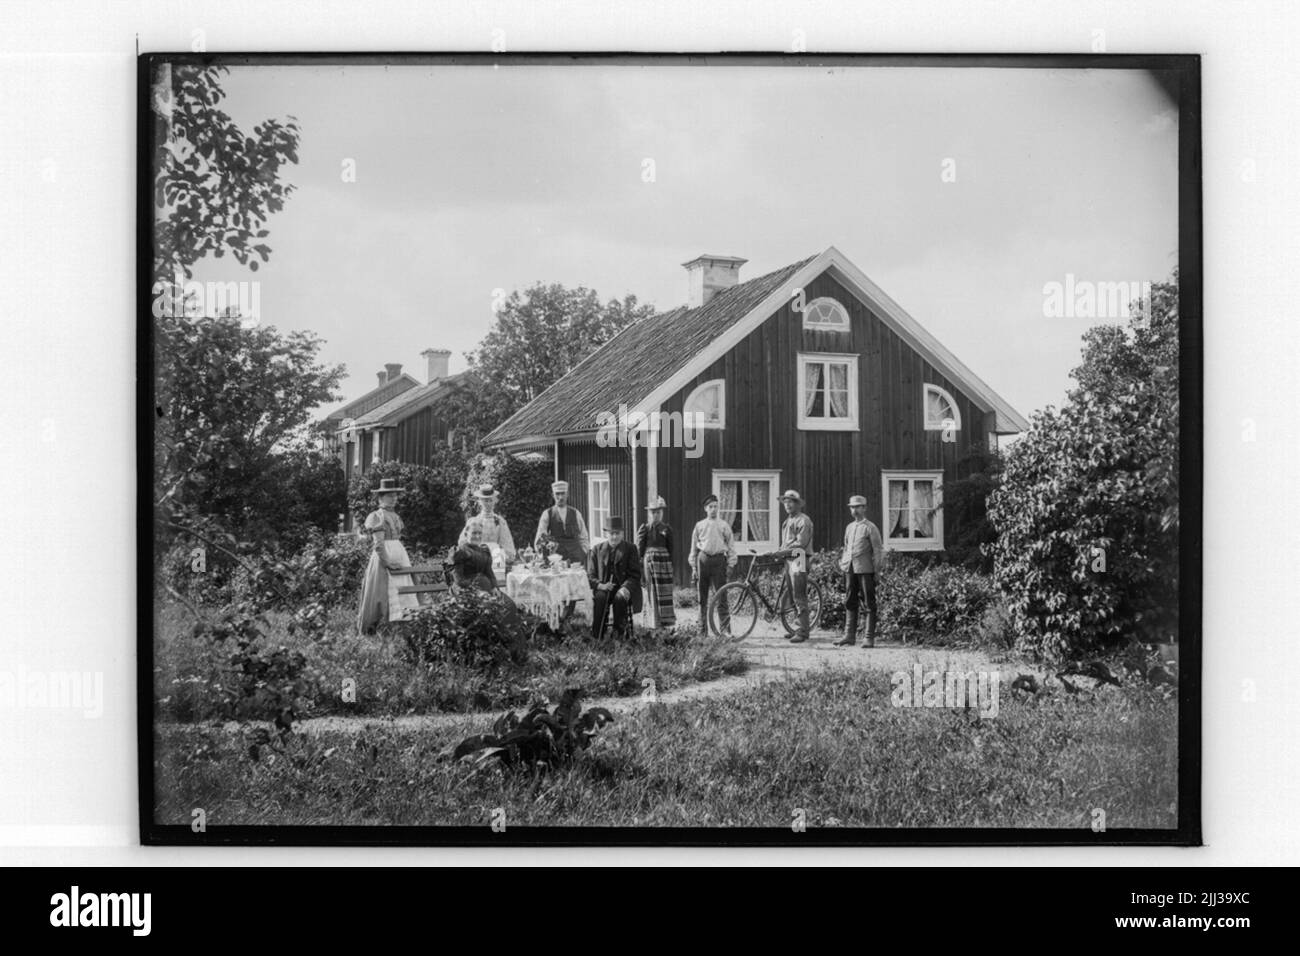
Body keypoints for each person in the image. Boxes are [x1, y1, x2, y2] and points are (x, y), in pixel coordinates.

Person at [356, 478, 418, 634]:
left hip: (399, 553)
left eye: (395, 495)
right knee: (383, 591)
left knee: (403, 587)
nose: (394, 498)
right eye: (390, 495)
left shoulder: (395, 516)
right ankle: (381, 626)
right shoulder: (377, 516)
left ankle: (403, 625)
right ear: (380, 498)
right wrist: (387, 562)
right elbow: (378, 543)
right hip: (385, 554)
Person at [534, 480, 590, 628]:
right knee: (557, 587)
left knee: (572, 588)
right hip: (557, 557)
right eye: (557, 494)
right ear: (553, 495)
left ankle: (566, 617)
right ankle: (555, 618)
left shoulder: (575, 513)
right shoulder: (547, 514)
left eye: (563, 494)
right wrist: (544, 555)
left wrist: (584, 551)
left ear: (567, 494)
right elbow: (540, 538)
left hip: (575, 556)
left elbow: (584, 535)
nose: (560, 497)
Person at [835, 494, 884, 647]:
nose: (854, 510)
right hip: (850, 568)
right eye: (852, 507)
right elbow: (846, 547)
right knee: (850, 599)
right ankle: (849, 635)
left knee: (869, 601)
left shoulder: (870, 527)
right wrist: (843, 564)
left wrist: (877, 571)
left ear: (864, 508)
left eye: (857, 507)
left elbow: (878, 550)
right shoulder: (849, 527)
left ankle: (869, 637)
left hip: (865, 569)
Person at [587, 516, 642, 640]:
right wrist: (601, 585)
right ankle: (597, 636)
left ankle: (619, 636)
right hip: (604, 587)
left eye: (617, 533)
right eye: (611, 533)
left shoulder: (630, 549)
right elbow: (590, 575)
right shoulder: (596, 550)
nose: (614, 537)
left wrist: (626, 588)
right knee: (600, 597)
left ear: (622, 534)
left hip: (623, 588)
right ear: (606, 533)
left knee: (620, 598)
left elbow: (635, 575)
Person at [688, 493, 737, 634]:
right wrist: (693, 567)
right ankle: (702, 631)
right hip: (703, 560)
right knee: (702, 598)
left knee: (721, 597)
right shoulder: (699, 526)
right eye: (711, 507)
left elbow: (731, 546)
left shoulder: (724, 525)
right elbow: (693, 548)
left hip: (719, 561)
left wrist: (731, 565)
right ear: (705, 509)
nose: (714, 509)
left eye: (716, 506)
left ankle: (725, 631)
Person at [775, 489, 814, 643]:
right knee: (791, 595)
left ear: (798, 504)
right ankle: (796, 628)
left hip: (799, 557)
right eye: (785, 502)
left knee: (799, 595)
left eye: (791, 501)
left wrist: (782, 551)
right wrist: (778, 552)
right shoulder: (786, 522)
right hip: (788, 558)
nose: (787, 505)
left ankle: (803, 631)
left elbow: (800, 544)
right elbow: (785, 543)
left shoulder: (803, 520)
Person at [636, 496, 676, 629]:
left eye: (658, 512)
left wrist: (669, 565)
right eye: (653, 512)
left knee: (664, 591)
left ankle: (665, 622)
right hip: (650, 564)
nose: (656, 515)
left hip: (664, 564)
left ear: (662, 513)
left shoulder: (667, 529)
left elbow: (671, 549)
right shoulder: (645, 529)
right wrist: (641, 568)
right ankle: (652, 623)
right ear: (649, 513)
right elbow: (640, 551)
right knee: (651, 590)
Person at [458, 483, 516, 563]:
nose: (488, 504)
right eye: (485, 500)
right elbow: (462, 544)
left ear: (495, 501)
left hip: (496, 562)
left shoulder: (500, 522)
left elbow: (509, 549)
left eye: (490, 500)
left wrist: (498, 554)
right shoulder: (473, 521)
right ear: (479, 501)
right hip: (475, 563)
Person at [452, 523, 498, 592]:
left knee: (507, 602)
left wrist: (494, 587)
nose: (477, 536)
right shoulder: (461, 552)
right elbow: (459, 579)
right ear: (466, 534)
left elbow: (489, 573)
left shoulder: (484, 551)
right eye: (474, 533)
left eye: (480, 533)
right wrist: (475, 587)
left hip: (485, 588)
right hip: (465, 590)